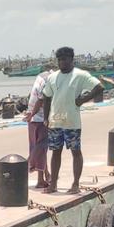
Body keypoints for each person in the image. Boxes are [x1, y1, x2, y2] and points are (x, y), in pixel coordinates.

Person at [28, 47, 103, 193]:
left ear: (71, 59)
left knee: (76, 151)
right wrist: (46, 118)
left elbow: (99, 87)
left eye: (65, 59)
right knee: (55, 152)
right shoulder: (52, 77)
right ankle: (53, 184)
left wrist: (83, 99)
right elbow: (46, 97)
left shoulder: (81, 75)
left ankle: (75, 184)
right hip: (55, 121)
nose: (62, 62)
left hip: (72, 122)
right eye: (59, 59)